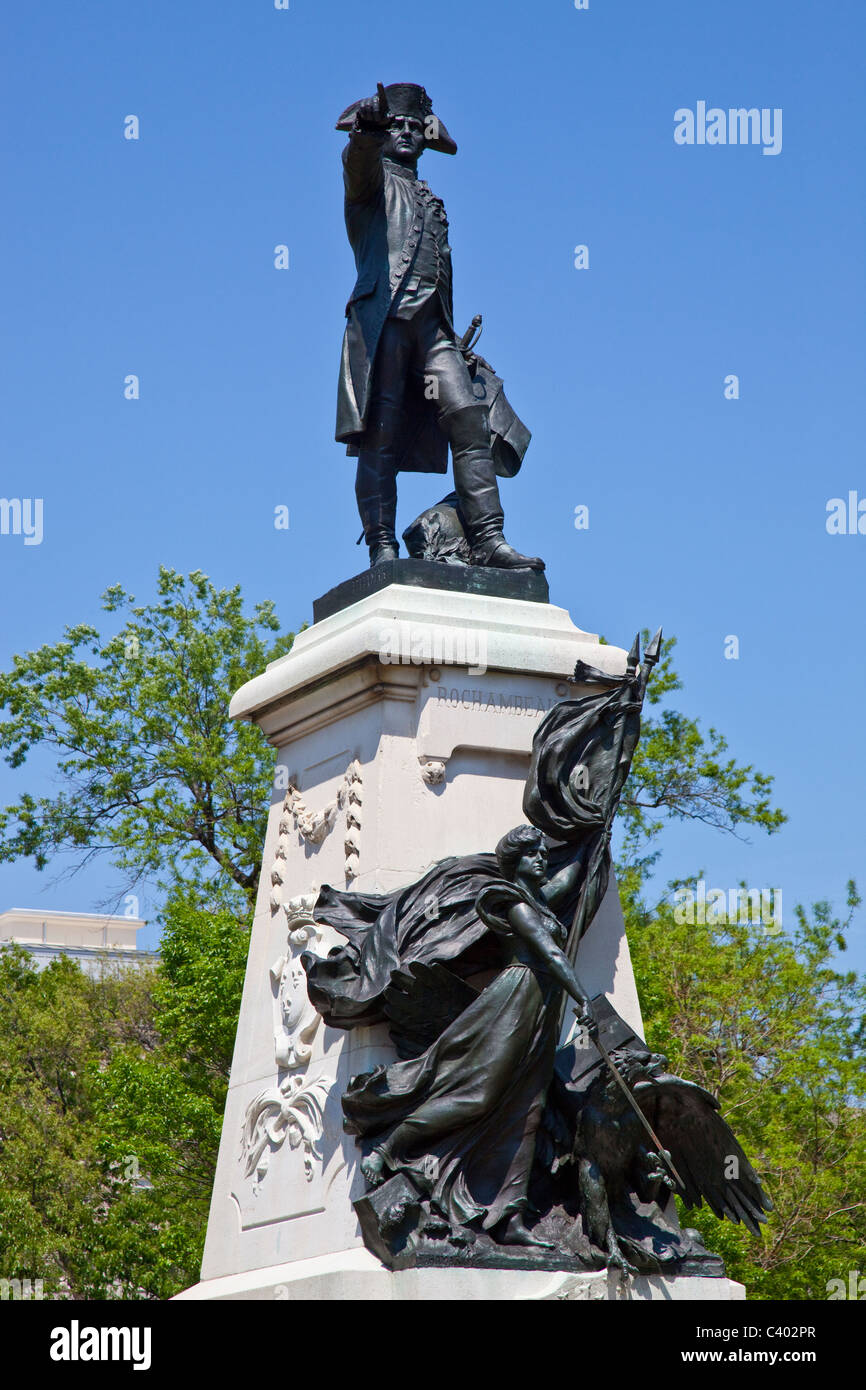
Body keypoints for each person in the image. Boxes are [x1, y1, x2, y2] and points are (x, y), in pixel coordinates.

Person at [342, 824, 596, 1248]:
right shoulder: (513, 903)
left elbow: (569, 876)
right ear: (515, 863)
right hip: (515, 1002)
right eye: (531, 853)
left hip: (542, 1010)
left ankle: (509, 1214)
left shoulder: (539, 900)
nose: (540, 858)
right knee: (479, 1095)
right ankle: (392, 1145)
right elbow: (550, 954)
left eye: (541, 853)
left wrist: (594, 837)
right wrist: (583, 1000)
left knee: (530, 1111)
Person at [335, 83, 545, 572]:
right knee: (380, 436)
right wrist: (366, 128)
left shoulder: (430, 198)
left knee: (469, 417)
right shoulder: (369, 186)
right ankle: (381, 546)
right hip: (383, 326)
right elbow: (356, 162)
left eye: (415, 127)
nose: (406, 133)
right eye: (397, 126)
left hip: (433, 333)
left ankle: (489, 539)